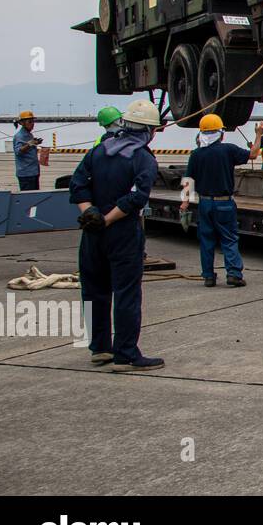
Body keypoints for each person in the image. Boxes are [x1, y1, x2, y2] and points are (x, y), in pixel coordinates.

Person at [69, 100, 163, 371]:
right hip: (121, 233)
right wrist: (107, 220)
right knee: (126, 293)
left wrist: (91, 214)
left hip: (91, 233)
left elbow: (78, 184)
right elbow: (136, 197)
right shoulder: (143, 157)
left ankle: (99, 348)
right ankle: (125, 352)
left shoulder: (99, 151)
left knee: (92, 292)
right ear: (148, 131)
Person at [180, 114, 261, 288]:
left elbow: (188, 180)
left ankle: (208, 277)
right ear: (221, 133)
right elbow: (253, 154)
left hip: (204, 203)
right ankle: (233, 274)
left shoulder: (196, 154)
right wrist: (259, 134)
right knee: (229, 239)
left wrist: (185, 202)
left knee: (206, 240)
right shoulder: (228, 150)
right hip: (224, 203)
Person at [12, 110, 42, 191]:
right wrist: (30, 144)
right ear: (22, 123)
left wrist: (36, 143)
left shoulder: (29, 134)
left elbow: (29, 147)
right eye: (30, 122)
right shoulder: (19, 136)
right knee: (28, 199)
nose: (32, 124)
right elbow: (18, 151)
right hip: (26, 174)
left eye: (33, 122)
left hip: (34, 172)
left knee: (35, 196)